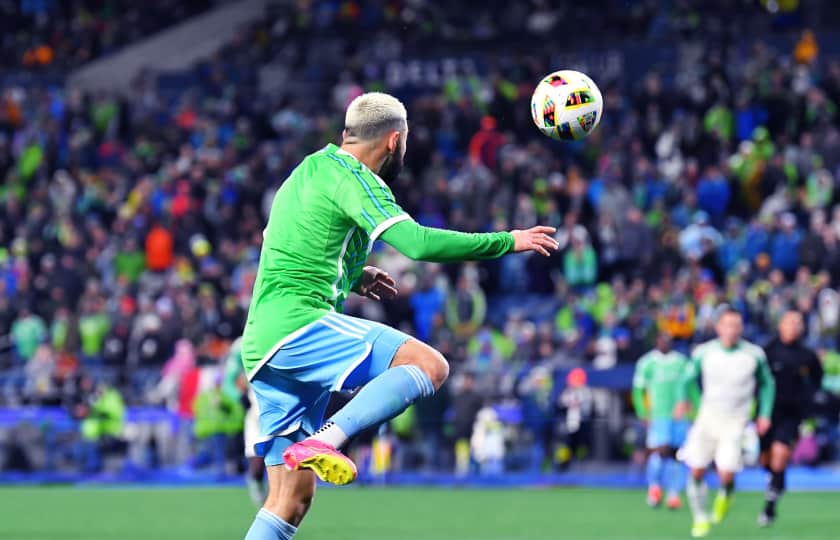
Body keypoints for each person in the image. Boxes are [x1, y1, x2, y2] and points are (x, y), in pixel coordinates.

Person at [241, 92, 558, 540]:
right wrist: (507, 241)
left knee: (289, 500)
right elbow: (419, 245)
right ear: (394, 141)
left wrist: (351, 276)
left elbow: (281, 243)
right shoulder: (357, 178)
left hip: (263, 345)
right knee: (429, 365)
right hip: (298, 326)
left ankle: (317, 445)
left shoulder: (306, 171)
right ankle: (328, 438)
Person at [675, 306, 776, 538]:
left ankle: (726, 493)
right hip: (707, 418)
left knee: (726, 473)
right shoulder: (704, 352)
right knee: (697, 469)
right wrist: (687, 401)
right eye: (727, 325)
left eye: (736, 325)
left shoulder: (754, 354)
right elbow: (687, 380)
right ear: (718, 326)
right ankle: (700, 517)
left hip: (736, 420)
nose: (732, 330)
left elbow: (767, 384)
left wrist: (764, 413)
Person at [757, 310, 823, 527]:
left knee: (780, 453)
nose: (794, 326)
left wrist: (808, 409)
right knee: (766, 461)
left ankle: (769, 508)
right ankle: (778, 480)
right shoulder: (767, 352)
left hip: (792, 415)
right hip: (767, 413)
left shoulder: (807, 356)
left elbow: (816, 383)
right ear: (781, 325)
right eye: (790, 322)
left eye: (798, 322)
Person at [632, 332, 690, 510]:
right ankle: (654, 487)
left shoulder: (681, 362)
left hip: (680, 416)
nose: (665, 342)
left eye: (668, 340)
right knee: (660, 450)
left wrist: (695, 409)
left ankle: (673, 494)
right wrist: (642, 411)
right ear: (656, 341)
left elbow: (691, 386)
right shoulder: (647, 363)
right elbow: (638, 390)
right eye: (661, 339)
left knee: (678, 454)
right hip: (658, 414)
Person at [223, 337, 267, 505]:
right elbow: (228, 381)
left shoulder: (284, 332)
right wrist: (239, 396)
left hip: (281, 400)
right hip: (256, 401)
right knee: (256, 458)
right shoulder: (242, 344)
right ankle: (257, 484)